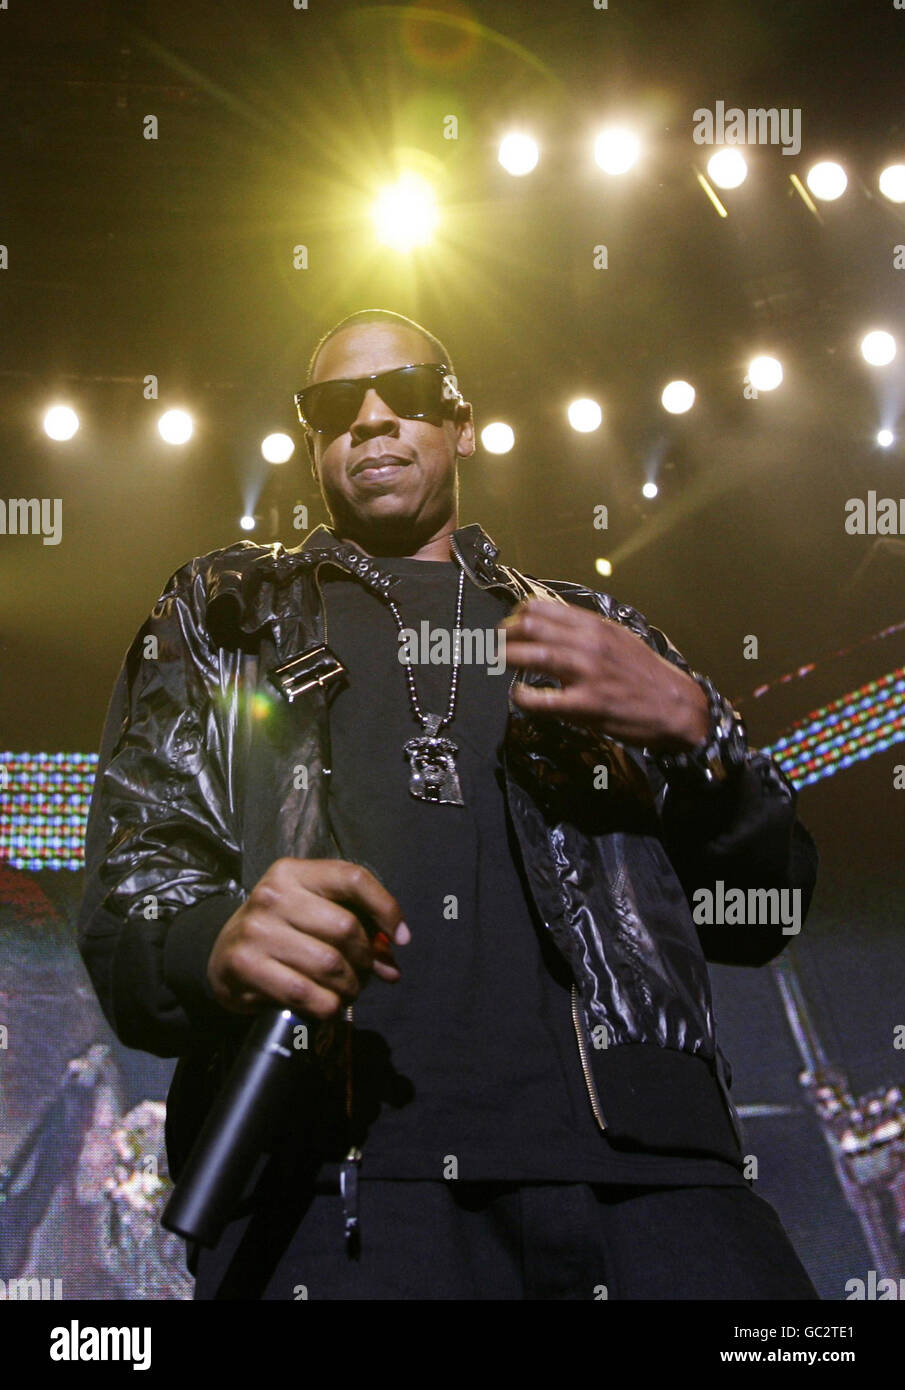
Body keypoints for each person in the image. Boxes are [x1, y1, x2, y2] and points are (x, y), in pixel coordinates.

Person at [77, 307, 820, 1300]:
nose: (374, 422)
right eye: (337, 406)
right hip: (332, 1191)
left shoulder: (592, 627)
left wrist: (694, 727)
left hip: (653, 1186)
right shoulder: (223, 613)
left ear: (461, 422)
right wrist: (213, 940)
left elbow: (770, 906)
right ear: (310, 444)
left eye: (411, 396)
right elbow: (132, 900)